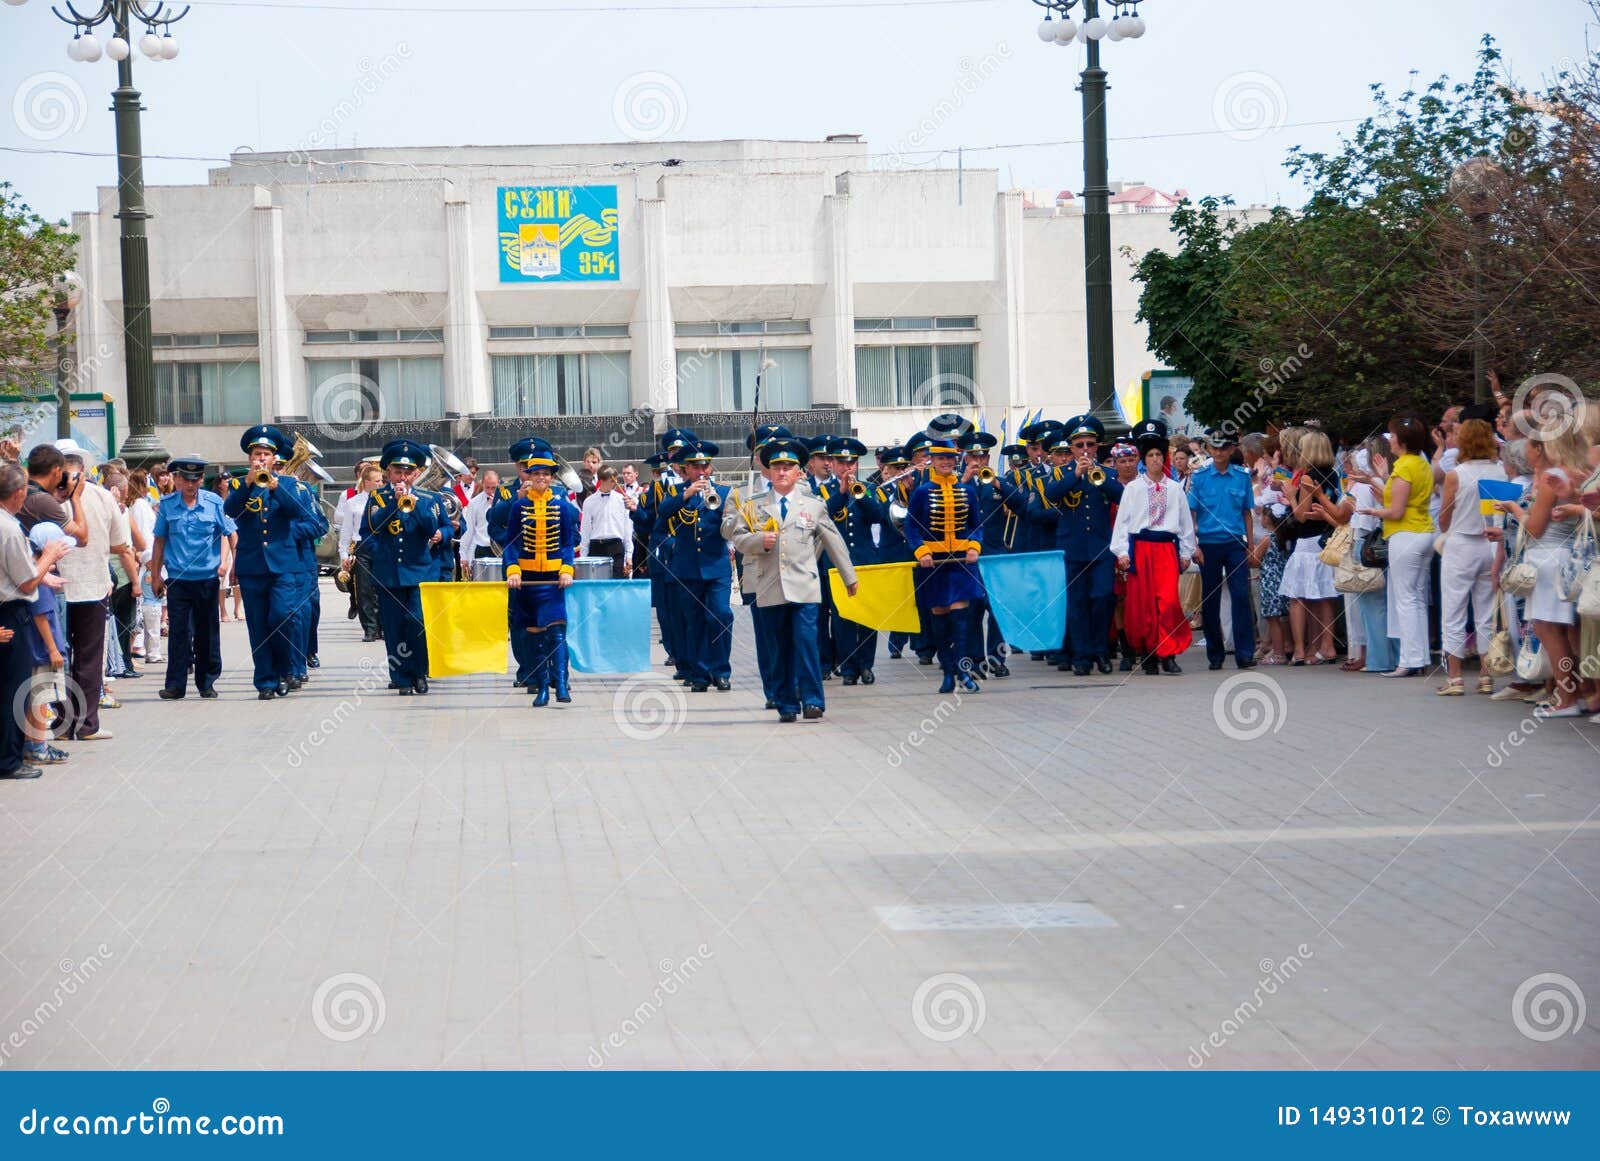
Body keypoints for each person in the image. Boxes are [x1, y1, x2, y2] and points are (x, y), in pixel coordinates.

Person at [726, 438, 858, 722]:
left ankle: (812, 700)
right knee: (778, 646)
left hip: (805, 586)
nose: (782, 472)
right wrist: (760, 540)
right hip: (769, 586)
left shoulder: (813, 505)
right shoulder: (753, 505)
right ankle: (786, 704)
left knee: (807, 642)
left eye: (788, 467)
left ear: (799, 472)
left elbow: (832, 540)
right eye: (777, 467)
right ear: (770, 471)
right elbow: (737, 537)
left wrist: (849, 576)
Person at [1497, 418, 1594, 717]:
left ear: (1541, 447)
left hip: (1547, 557)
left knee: (1548, 630)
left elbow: (1535, 529)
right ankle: (1580, 692)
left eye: (1529, 444)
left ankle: (1566, 697)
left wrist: (1514, 509)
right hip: (1570, 557)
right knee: (1569, 631)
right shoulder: (1582, 473)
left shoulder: (1552, 477)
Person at [224, 425, 314, 699]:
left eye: (265, 454)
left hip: (283, 565)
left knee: (283, 616)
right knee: (258, 625)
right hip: (252, 566)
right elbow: (230, 511)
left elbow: (299, 513)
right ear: (249, 458)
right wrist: (250, 482)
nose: (261, 458)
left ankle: (285, 668)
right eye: (256, 454)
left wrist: (276, 488)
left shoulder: (288, 485)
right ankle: (265, 680)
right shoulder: (240, 485)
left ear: (275, 459)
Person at [0, 465, 74, 779]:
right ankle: (9, 760)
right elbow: (27, 582)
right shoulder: (9, 527)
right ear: (18, 494)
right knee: (12, 689)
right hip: (9, 612)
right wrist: (47, 557)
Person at [54, 442, 131, 739]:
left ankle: (62, 724)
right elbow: (120, 542)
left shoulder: (48, 498)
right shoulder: (102, 497)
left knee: (62, 657)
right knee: (88, 657)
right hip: (92, 584)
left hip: (64, 587)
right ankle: (86, 724)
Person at [1110, 420, 1197, 675]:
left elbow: (1184, 523)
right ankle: (1148, 652)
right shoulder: (1134, 489)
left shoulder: (1174, 489)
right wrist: (1122, 553)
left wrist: (1185, 552)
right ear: (1143, 459)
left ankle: (1168, 652)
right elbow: (1122, 523)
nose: (1155, 459)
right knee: (1143, 604)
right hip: (1141, 549)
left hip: (1165, 550)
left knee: (1168, 602)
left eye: (1159, 454)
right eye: (1150, 455)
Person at [1039, 418, 1123, 676]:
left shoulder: (1107, 473)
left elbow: (1121, 496)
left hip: (1100, 548)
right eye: (1079, 445)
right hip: (1072, 548)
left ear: (1097, 446)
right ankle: (1083, 656)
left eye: (1090, 444)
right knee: (1076, 605)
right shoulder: (1061, 474)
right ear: (1072, 448)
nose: (1085, 448)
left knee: (1103, 597)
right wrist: (1076, 474)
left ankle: (1100, 649)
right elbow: (1050, 497)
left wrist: (1096, 475)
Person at [148, 454, 236, 699]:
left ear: (200, 480)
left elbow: (229, 533)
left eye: (195, 479)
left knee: (207, 632)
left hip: (207, 578)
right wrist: (155, 576)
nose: (190, 484)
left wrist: (226, 561)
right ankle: (175, 684)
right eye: (185, 479)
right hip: (178, 579)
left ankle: (207, 682)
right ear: (177, 479)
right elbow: (159, 541)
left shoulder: (213, 502)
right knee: (179, 632)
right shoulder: (167, 505)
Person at [905, 437, 984, 694]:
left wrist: (974, 546)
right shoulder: (921, 491)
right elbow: (911, 527)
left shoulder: (967, 491)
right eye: (941, 459)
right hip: (934, 564)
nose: (946, 463)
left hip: (961, 563)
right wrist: (921, 551)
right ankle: (948, 671)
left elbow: (976, 525)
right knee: (940, 622)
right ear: (933, 461)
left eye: (950, 459)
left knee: (961, 620)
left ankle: (962, 670)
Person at [1357, 416, 1435, 677]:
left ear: (1401, 441)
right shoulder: (1419, 463)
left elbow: (1396, 510)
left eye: (1392, 435)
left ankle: (1409, 660)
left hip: (1405, 534)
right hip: (1422, 532)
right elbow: (1402, 499)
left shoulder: (1404, 467)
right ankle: (1419, 657)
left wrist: (1372, 510)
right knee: (1417, 599)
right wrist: (1383, 479)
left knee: (1405, 600)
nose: (1389, 439)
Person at [505, 443, 581, 707]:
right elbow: (511, 543)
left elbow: (568, 542)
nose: (541, 477)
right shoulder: (519, 506)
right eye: (536, 472)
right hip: (527, 581)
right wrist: (513, 570)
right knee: (535, 636)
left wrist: (566, 569)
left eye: (546, 473)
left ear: (551, 477)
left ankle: (561, 683)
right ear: (529, 475)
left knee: (557, 633)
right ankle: (541, 687)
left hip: (552, 580)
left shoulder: (561, 507)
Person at [364, 440, 442, 696]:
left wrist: (414, 503)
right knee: (394, 627)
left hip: (419, 572)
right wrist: (393, 504)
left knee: (416, 622)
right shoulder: (378, 498)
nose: (402, 477)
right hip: (388, 573)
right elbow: (371, 530)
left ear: (416, 473)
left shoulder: (428, 498)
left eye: (408, 472)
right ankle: (401, 677)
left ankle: (420, 671)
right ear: (388, 473)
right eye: (398, 472)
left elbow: (430, 528)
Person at [656, 438, 734, 693]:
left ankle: (721, 670)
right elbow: (663, 513)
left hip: (717, 567)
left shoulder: (723, 493)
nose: (701, 471)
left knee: (721, 615)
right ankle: (700, 673)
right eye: (695, 467)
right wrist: (686, 494)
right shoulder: (675, 494)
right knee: (694, 622)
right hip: (688, 568)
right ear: (685, 469)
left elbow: (732, 525)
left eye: (705, 466)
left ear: (710, 468)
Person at [1435, 417, 1503, 695]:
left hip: (1461, 543)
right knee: (1486, 611)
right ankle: (1486, 674)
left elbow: (1444, 519)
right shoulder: (1500, 470)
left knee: (1454, 610)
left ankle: (1455, 676)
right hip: (1489, 543)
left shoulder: (1457, 474)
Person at [1188, 430, 1256, 670]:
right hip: (1208, 543)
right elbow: (1191, 513)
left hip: (1235, 543)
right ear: (1209, 449)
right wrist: (1194, 545)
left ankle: (1245, 652)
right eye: (1214, 448)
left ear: (1231, 450)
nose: (1218, 453)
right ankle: (1215, 653)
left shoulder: (1242, 476)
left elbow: (1247, 512)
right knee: (1210, 599)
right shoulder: (1200, 477)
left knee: (1240, 597)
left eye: (1223, 448)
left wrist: (1250, 544)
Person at [819, 436, 883, 686]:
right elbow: (823, 517)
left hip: (865, 562)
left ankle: (866, 665)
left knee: (868, 616)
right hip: (835, 565)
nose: (847, 468)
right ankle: (848, 667)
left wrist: (860, 495)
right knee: (842, 618)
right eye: (842, 463)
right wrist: (843, 493)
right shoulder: (822, 492)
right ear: (832, 464)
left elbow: (878, 516)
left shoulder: (869, 488)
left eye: (852, 463)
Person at [1279, 429, 1343, 665]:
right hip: (1325, 539)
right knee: (1325, 595)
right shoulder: (1333, 474)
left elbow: (1301, 515)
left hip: (1306, 542)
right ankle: (1327, 646)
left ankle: (1299, 650)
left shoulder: (1307, 477)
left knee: (1298, 597)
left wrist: (1291, 496)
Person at [23, 523, 72, 767]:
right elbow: (40, 615)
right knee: (40, 699)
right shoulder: (39, 579)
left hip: (41, 649)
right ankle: (37, 745)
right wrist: (53, 649)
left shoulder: (39, 573)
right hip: (43, 651)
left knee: (39, 698)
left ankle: (35, 743)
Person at [579, 466, 633, 579]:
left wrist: (629, 554)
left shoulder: (622, 499)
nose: (615, 483)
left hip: (616, 545)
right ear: (602, 480)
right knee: (596, 586)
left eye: (616, 480)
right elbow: (585, 530)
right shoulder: (589, 502)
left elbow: (627, 528)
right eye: (612, 481)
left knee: (617, 583)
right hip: (596, 547)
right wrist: (583, 557)